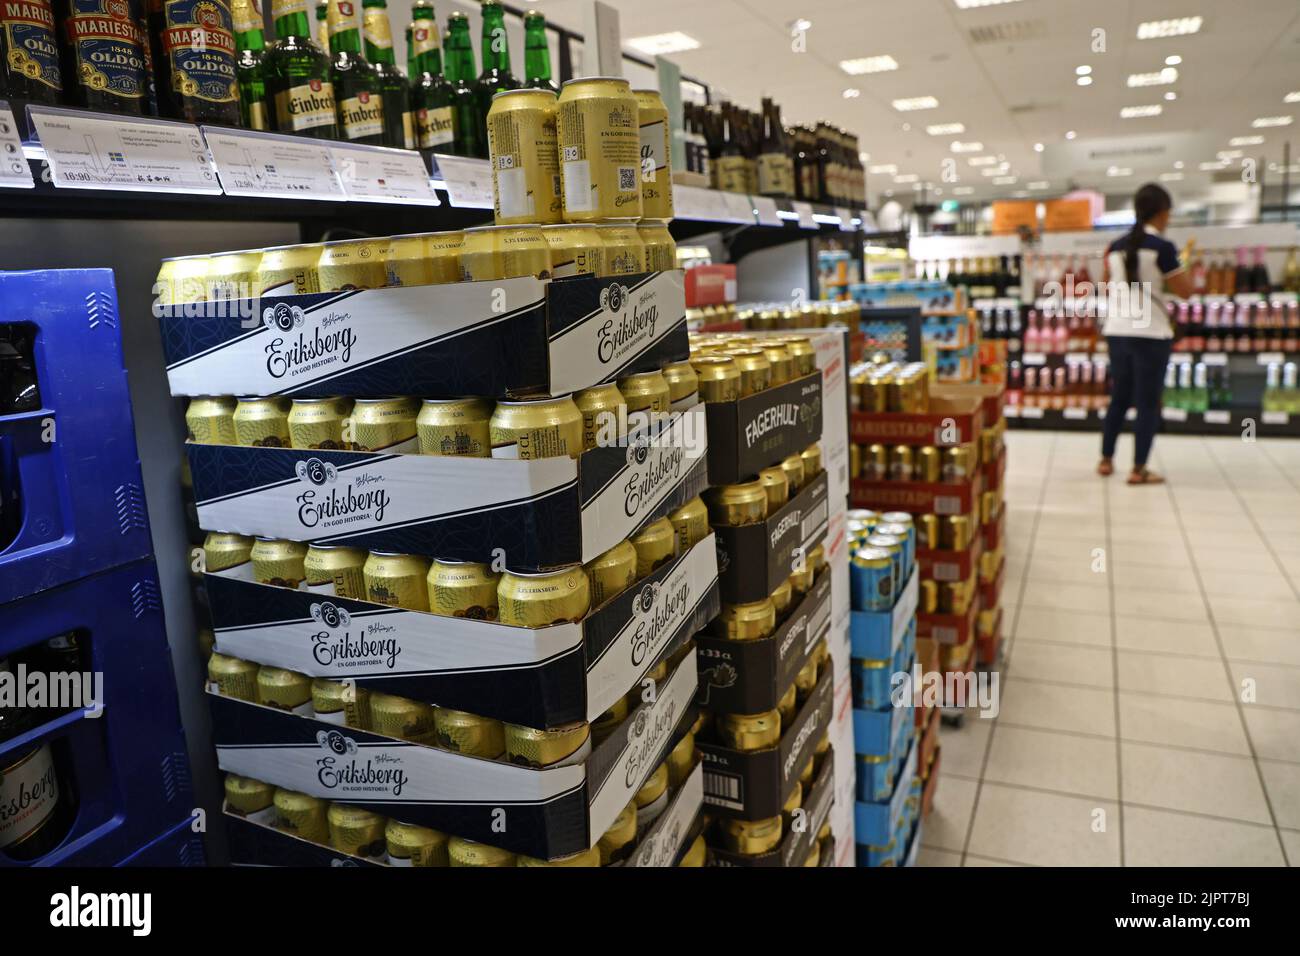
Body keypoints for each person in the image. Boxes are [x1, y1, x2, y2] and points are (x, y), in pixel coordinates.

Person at [1097, 183, 1192, 485]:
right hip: (1150, 332)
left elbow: (1105, 285)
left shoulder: (1114, 247)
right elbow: (1186, 292)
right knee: (1147, 403)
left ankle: (1106, 459)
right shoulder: (1163, 248)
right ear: (1162, 212)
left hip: (1118, 329)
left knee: (1119, 399)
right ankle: (1138, 469)